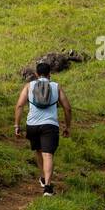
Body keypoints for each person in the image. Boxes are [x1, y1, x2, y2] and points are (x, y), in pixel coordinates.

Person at [14, 59, 72, 196]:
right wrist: (68, 126)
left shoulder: (29, 86)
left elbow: (20, 105)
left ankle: (43, 177)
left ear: (36, 73)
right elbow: (67, 108)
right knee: (48, 154)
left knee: (39, 151)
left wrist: (17, 125)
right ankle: (48, 187)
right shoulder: (56, 87)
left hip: (32, 125)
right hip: (50, 125)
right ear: (49, 74)